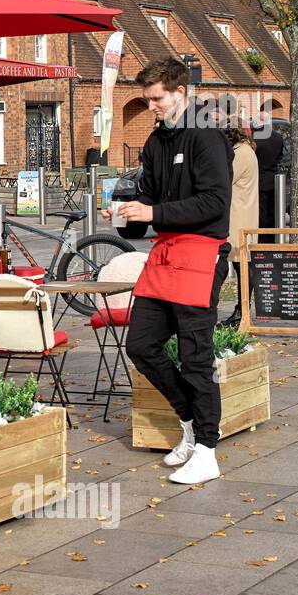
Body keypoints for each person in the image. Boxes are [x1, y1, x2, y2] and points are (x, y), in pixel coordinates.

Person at [107, 58, 232, 486]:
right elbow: (146, 199)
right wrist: (126, 213)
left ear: (181, 93)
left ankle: (208, 450)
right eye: (147, 99)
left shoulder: (207, 136)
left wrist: (154, 210)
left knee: (197, 358)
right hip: (164, 253)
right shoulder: (155, 141)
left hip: (201, 253)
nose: (151, 106)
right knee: (141, 345)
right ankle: (189, 425)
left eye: (157, 98)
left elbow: (215, 202)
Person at [221, 122, 259, 326]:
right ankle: (242, 308)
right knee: (241, 263)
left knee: (241, 264)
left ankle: (241, 310)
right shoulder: (245, 150)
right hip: (243, 212)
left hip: (239, 214)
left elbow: (224, 178)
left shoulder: (240, 153)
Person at [252, 114, 291, 240]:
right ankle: (273, 237)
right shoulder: (277, 137)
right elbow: (280, 156)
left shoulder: (254, 138)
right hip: (274, 178)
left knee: (261, 212)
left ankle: (262, 239)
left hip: (259, 178)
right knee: (273, 210)